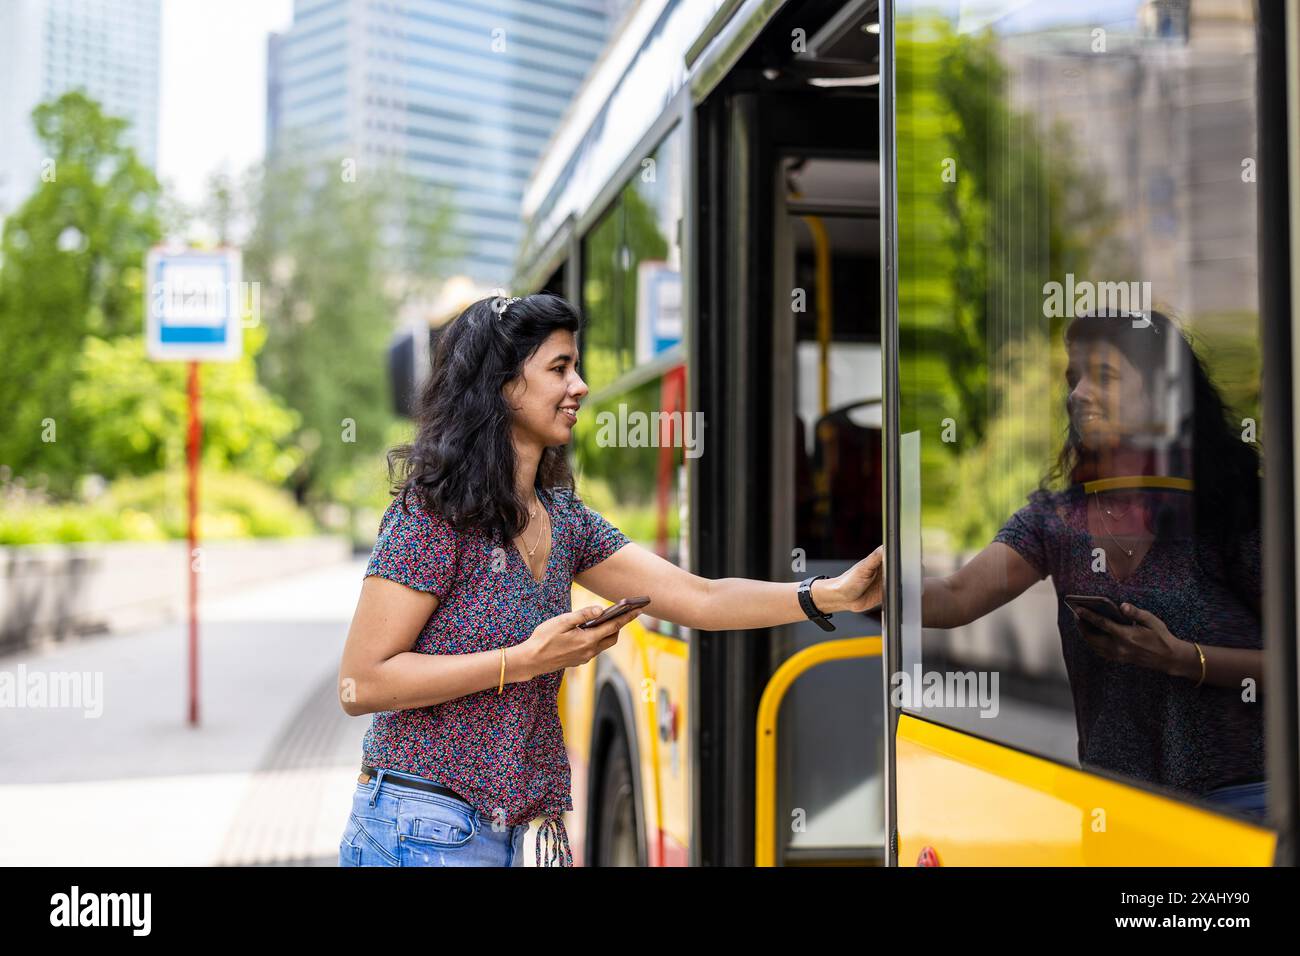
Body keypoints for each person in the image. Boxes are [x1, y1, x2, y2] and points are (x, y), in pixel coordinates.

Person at [336, 292, 882, 867]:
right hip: (414, 824)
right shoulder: (433, 514)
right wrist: (526, 660)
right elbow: (361, 682)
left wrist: (828, 593)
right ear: (501, 384)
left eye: (576, 366)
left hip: (496, 835)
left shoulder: (563, 519)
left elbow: (702, 596)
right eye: (559, 368)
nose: (581, 386)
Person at [860, 310, 1265, 820]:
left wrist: (1184, 659)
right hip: (1115, 808)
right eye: (1074, 378)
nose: (1078, 395)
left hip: (1241, 808)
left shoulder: (1236, 505)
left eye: (1105, 377)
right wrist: (872, 590)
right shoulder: (1057, 519)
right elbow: (956, 596)